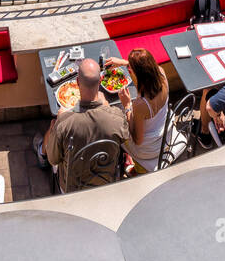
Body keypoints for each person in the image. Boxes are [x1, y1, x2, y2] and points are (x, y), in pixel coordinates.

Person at [37, 58, 127, 188]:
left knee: (52, 128)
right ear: (100, 81)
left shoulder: (64, 123)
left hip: (73, 188)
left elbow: (53, 159)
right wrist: (108, 107)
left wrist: (54, 127)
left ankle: (40, 152)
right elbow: (126, 139)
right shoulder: (117, 117)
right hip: (106, 184)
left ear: (77, 82)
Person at [108, 49, 168, 174]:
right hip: (165, 133)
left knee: (113, 124)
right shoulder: (161, 72)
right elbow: (146, 68)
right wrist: (125, 63)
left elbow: (138, 140)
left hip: (148, 149)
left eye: (131, 69)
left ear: (138, 74)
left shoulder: (141, 104)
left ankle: (134, 166)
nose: (130, 70)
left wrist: (127, 106)